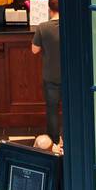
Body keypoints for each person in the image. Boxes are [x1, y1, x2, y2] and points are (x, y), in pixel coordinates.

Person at [30, 9, 62, 143]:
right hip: (69, 74)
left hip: (51, 74)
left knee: (52, 109)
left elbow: (34, 50)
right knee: (70, 108)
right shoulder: (71, 25)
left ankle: (54, 141)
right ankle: (69, 139)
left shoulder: (42, 27)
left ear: (49, 10)